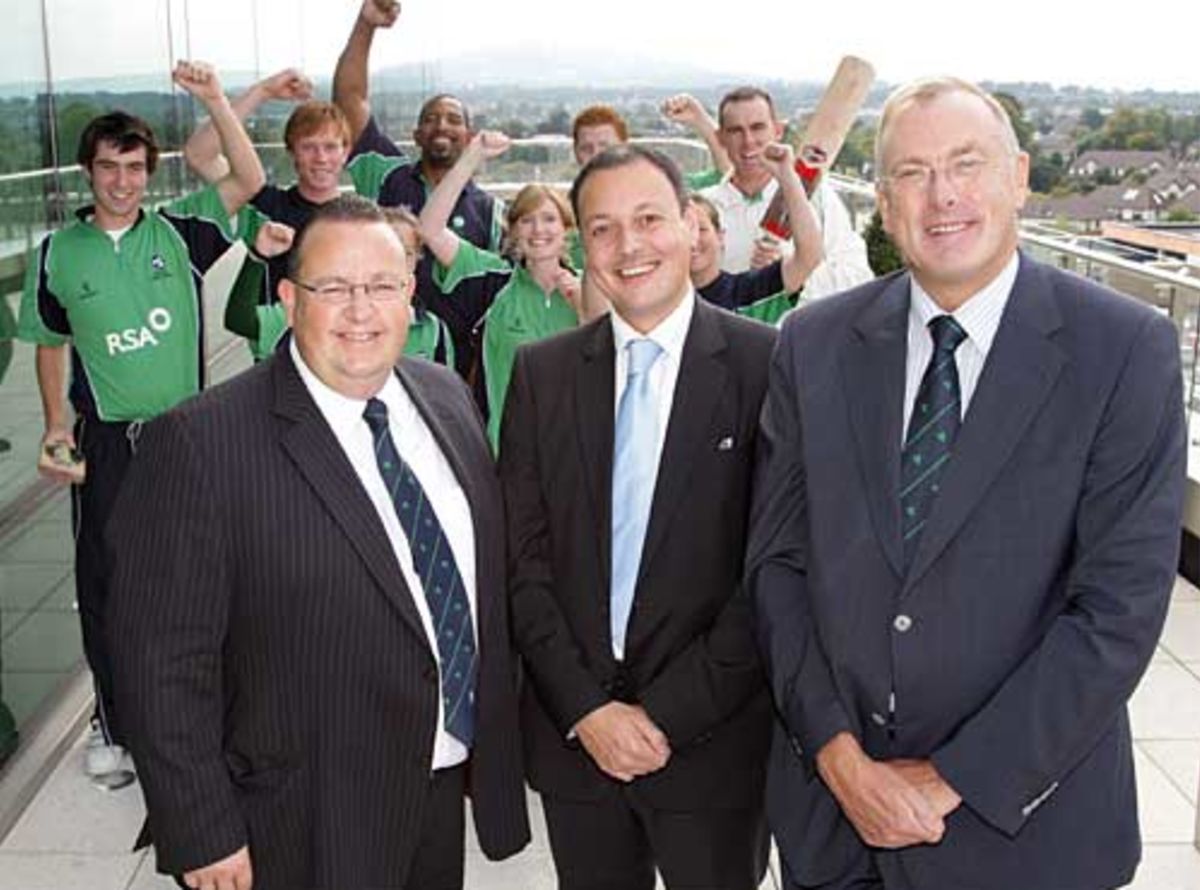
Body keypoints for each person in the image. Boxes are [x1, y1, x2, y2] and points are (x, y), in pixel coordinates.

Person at [747, 76, 1185, 890]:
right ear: (884, 203)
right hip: (836, 830)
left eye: (965, 164)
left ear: (1018, 177)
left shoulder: (1124, 350)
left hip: (1026, 838)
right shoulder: (813, 346)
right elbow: (777, 567)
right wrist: (839, 758)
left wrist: (953, 779)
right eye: (912, 173)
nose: (941, 195)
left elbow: (1117, 610)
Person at [107, 194, 530, 890]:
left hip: (437, 788)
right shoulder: (199, 443)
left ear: (410, 295)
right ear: (289, 300)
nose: (361, 310)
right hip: (299, 817)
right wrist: (202, 829)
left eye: (382, 285)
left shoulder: (446, 396)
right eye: (332, 288)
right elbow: (159, 661)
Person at [500, 145, 775, 890]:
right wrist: (587, 709)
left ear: (690, 224)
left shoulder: (767, 366)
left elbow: (772, 571)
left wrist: (665, 716)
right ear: (582, 243)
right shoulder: (543, 375)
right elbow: (521, 561)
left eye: (649, 219)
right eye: (603, 228)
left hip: (714, 746)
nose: (629, 246)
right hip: (578, 745)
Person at [16, 61, 264, 784]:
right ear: (87, 171)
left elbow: (248, 178)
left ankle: (205, 718)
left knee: (204, 582)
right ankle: (114, 725)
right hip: (107, 446)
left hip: (183, 441)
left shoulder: (182, 232)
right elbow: (50, 343)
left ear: (149, 173)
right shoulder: (57, 254)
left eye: (133, 168)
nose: (121, 181)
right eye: (108, 167)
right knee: (107, 587)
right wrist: (56, 426)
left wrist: (215, 99)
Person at [334, 0, 503, 378]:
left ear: (470, 137)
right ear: (416, 135)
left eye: (453, 119)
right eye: (431, 118)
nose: (441, 125)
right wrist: (366, 24)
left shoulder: (491, 212)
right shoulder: (383, 174)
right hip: (378, 351)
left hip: (458, 369)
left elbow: (494, 299)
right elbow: (349, 100)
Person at [420, 130, 579, 451]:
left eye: (549, 219)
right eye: (527, 220)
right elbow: (429, 229)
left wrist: (584, 305)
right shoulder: (493, 279)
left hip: (574, 454)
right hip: (506, 454)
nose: (538, 230)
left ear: (567, 230)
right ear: (513, 230)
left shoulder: (592, 289)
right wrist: (472, 156)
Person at [700, 86, 872, 299]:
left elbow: (857, 279)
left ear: (778, 131)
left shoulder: (815, 197)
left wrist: (790, 269)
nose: (748, 141)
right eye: (736, 131)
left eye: (758, 127)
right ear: (720, 138)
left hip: (802, 320)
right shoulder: (704, 208)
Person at [231, 206, 457, 366]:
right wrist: (257, 256)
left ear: (417, 259)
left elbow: (440, 400)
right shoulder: (320, 307)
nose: (390, 261)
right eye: (379, 249)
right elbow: (241, 320)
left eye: (404, 252)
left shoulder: (432, 330)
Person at [689, 141, 823, 325]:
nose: (693, 239)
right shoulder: (658, 300)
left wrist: (786, 176)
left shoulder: (750, 293)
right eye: (685, 231)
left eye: (702, 229)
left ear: (720, 236)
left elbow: (809, 255)